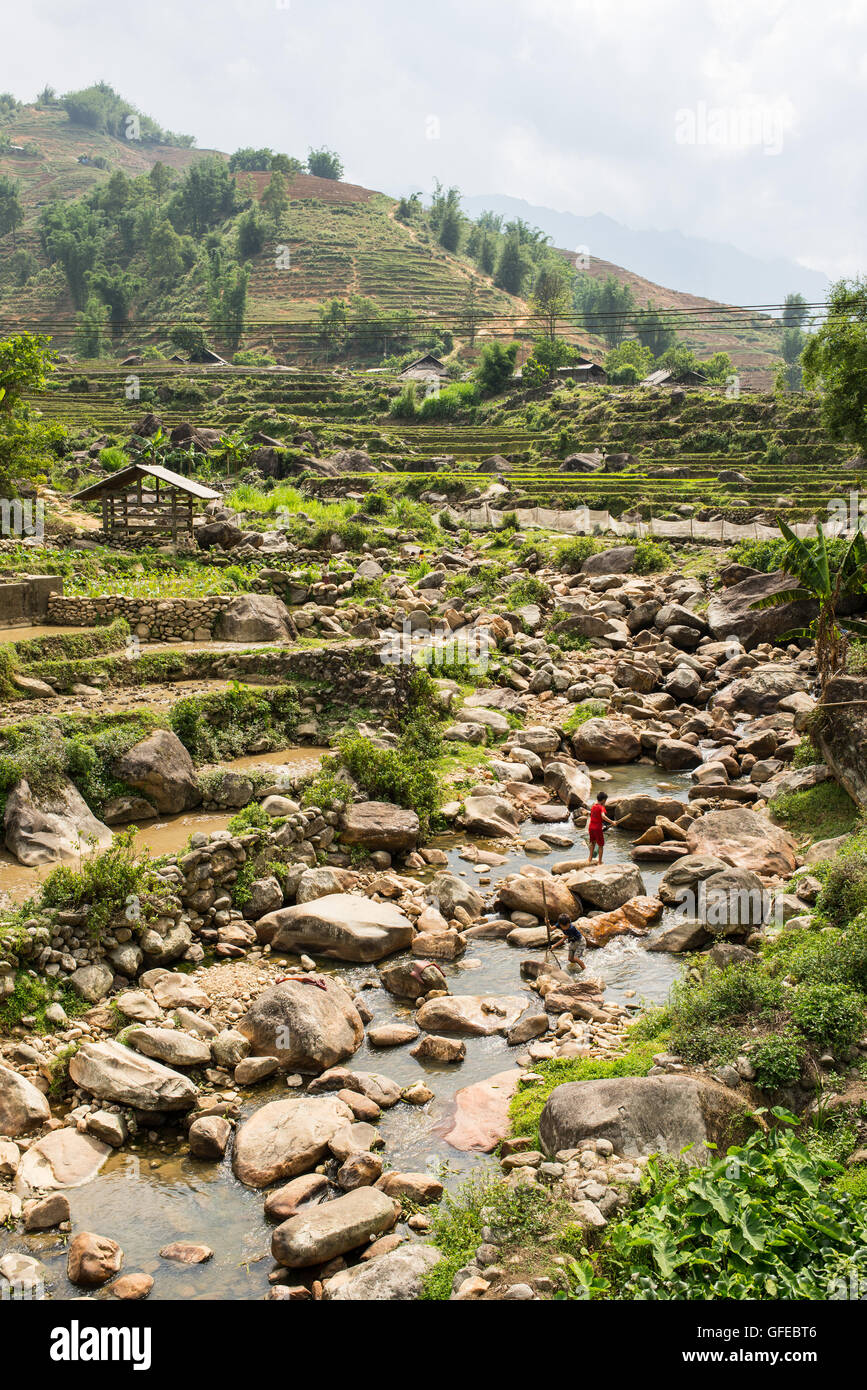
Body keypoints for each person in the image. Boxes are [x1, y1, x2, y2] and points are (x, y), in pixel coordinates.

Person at [583, 791, 624, 865]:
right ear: (603, 800)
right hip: (597, 828)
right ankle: (599, 862)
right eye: (605, 800)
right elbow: (603, 816)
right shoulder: (601, 807)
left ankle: (590, 859)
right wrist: (612, 822)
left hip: (591, 827)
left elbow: (594, 816)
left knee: (592, 843)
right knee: (601, 846)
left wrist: (602, 825)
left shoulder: (593, 807)